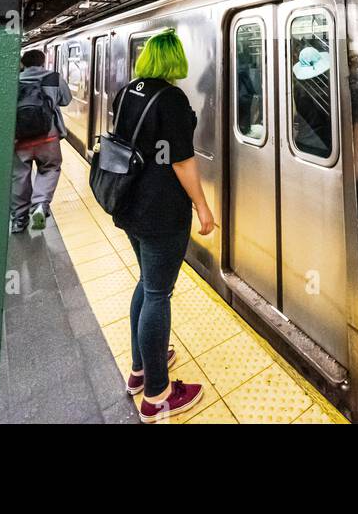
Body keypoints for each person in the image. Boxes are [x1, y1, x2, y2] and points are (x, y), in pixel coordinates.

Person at [110, 29, 216, 422]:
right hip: (161, 212)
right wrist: (203, 207)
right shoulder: (171, 99)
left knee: (146, 283)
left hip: (128, 205)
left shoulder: (126, 92)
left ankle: (141, 369)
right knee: (158, 294)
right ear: (174, 61)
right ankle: (157, 394)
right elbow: (182, 162)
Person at [10, 50, 72, 234]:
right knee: (50, 168)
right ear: (43, 61)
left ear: (23, 63)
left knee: (19, 176)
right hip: (48, 135)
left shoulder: (15, 79)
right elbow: (66, 100)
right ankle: (40, 205)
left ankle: (19, 220)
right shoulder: (53, 77)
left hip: (20, 137)